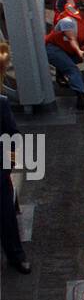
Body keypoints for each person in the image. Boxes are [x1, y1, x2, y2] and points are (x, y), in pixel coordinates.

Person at [44, 12, 84, 111]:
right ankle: (82, 99)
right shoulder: (68, 22)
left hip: (68, 50)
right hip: (53, 49)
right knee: (72, 69)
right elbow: (72, 39)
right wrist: (79, 51)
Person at [1, 80, 31, 274]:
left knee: (5, 215)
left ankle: (16, 256)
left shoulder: (1, 103)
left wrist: (7, 166)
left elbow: (14, 137)